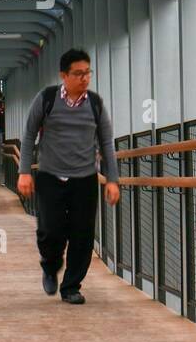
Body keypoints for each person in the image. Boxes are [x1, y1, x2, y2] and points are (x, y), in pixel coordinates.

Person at [17, 48, 120, 304]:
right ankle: (50, 266)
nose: (84, 78)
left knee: (82, 235)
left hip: (84, 178)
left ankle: (71, 286)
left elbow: (106, 142)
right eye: (78, 74)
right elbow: (29, 135)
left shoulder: (95, 104)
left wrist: (113, 180)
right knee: (50, 230)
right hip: (51, 176)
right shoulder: (47, 99)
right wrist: (24, 172)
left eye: (88, 73)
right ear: (64, 75)